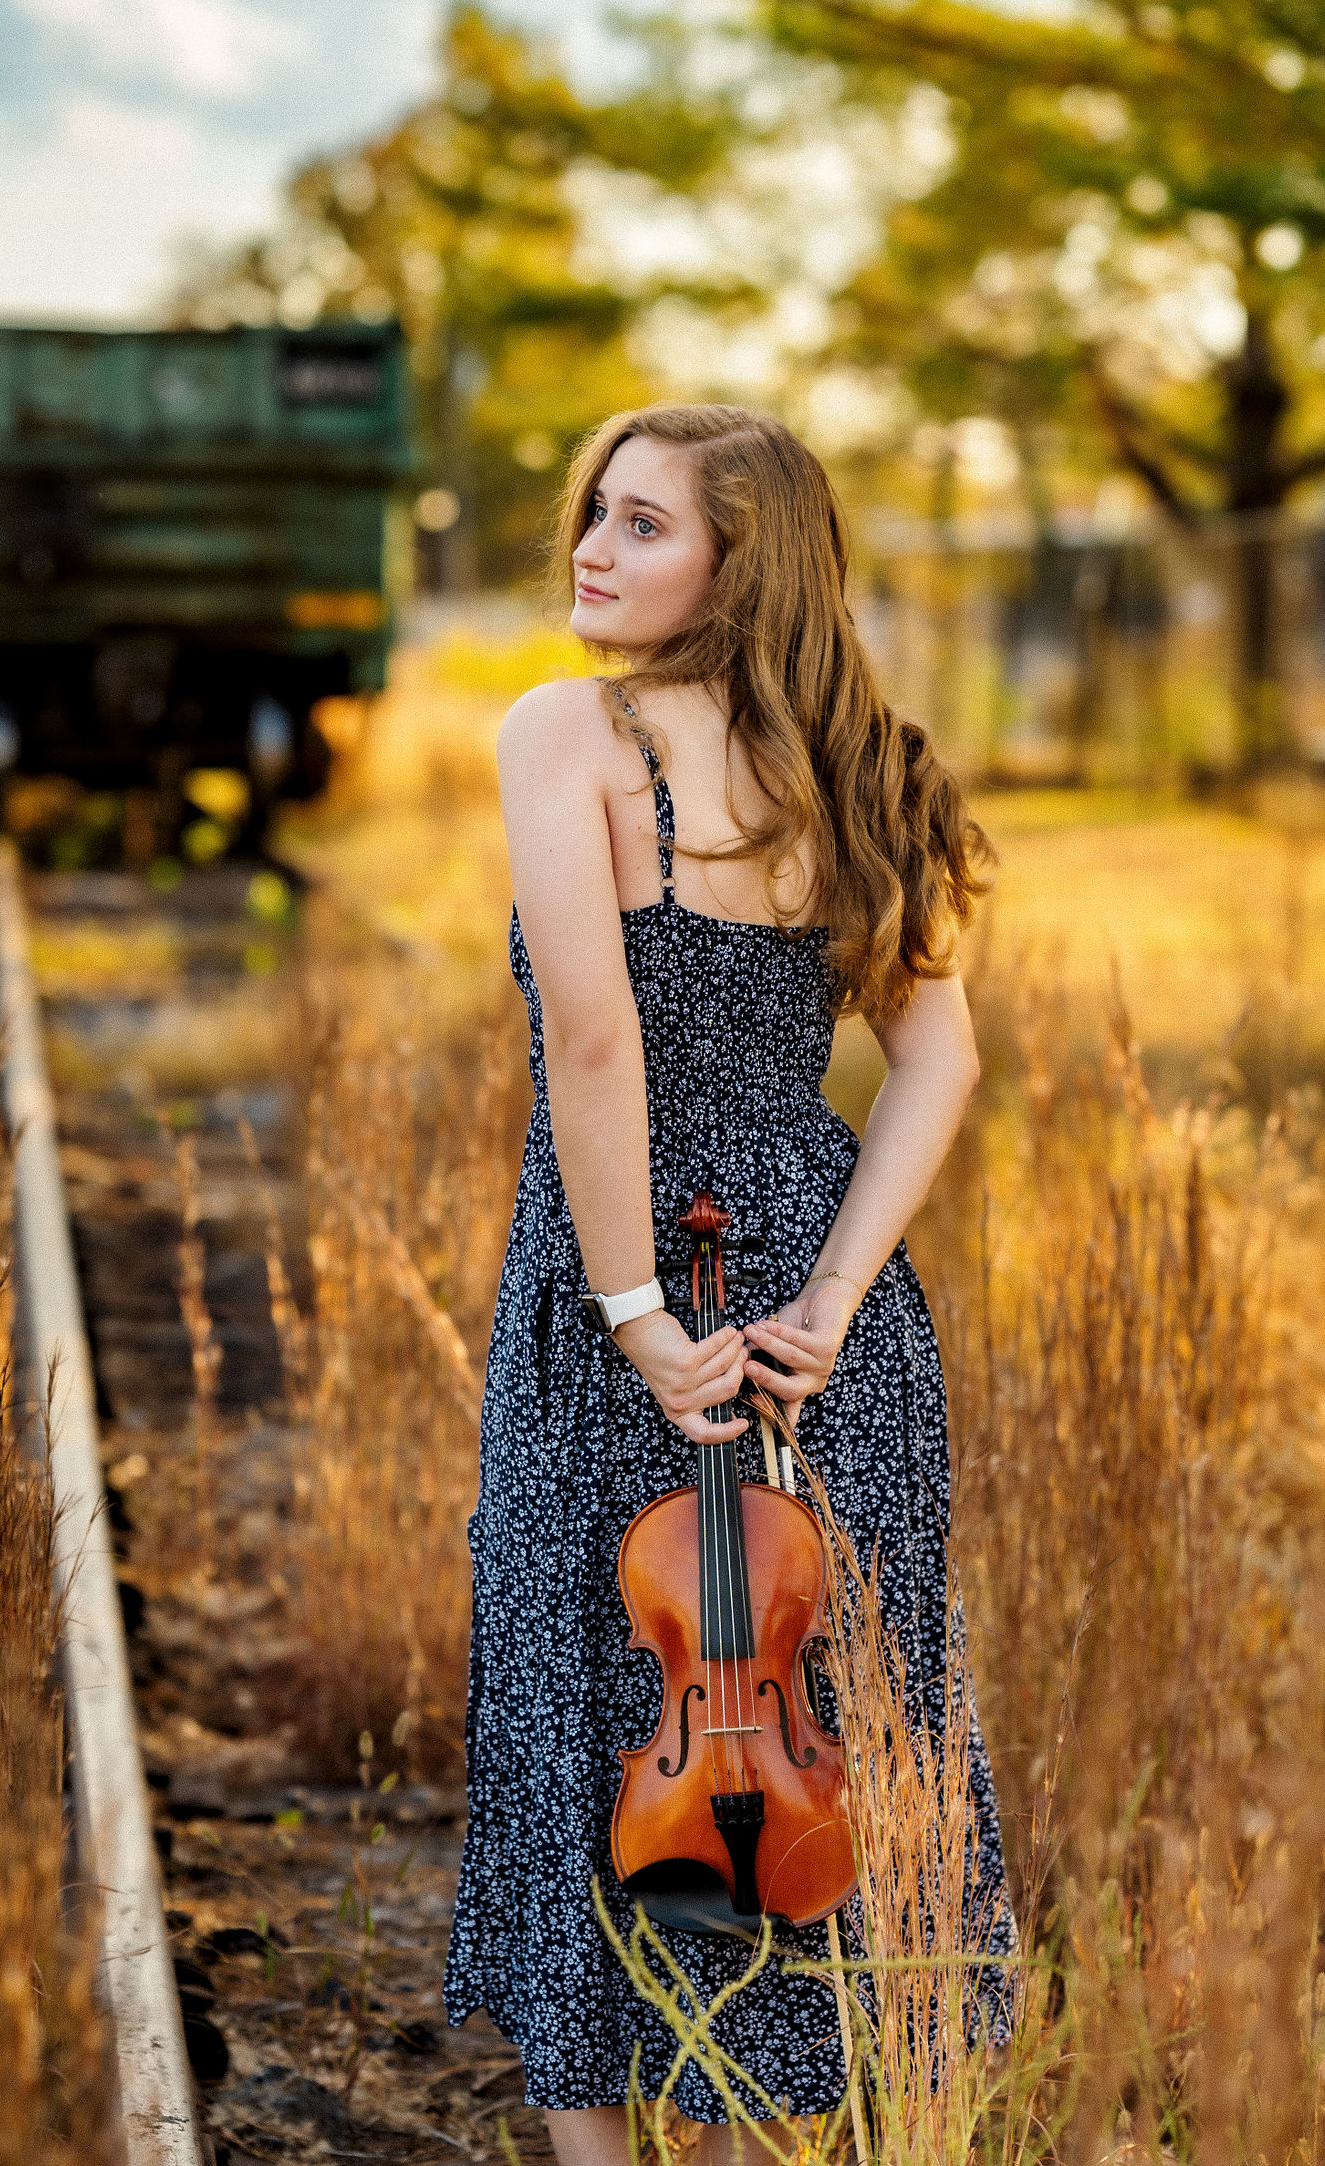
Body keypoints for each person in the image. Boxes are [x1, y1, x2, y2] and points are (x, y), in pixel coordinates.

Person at [442, 404, 1016, 2158]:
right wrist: (836, 1302)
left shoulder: (570, 735)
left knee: (589, 1712)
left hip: (630, 1290)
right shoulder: (864, 762)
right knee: (832, 1724)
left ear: (736, 562)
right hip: (819, 1312)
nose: (591, 552)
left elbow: (598, 1047)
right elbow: (939, 1065)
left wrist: (635, 1319)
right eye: (590, 513)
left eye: (641, 525)